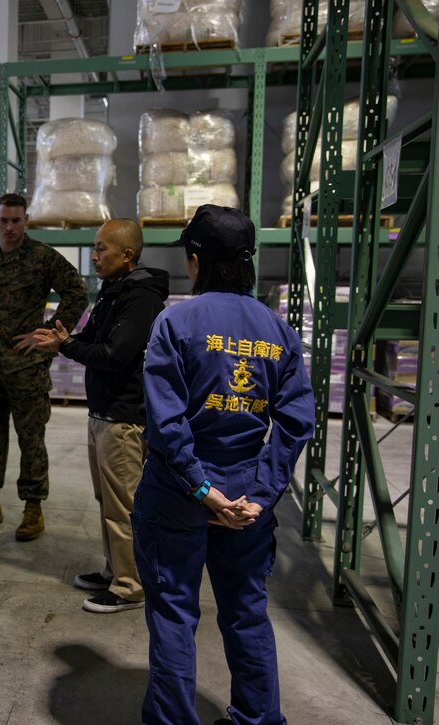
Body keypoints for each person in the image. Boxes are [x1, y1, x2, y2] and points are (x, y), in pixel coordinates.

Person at [133, 205, 314, 725]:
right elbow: (296, 421)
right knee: (246, 612)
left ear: (195, 261)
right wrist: (259, 495)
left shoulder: (175, 321)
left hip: (178, 491)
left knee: (173, 613)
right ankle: (259, 719)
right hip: (246, 492)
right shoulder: (277, 331)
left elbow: (167, 424)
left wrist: (201, 489)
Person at [14, 219, 169, 613]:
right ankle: (114, 568)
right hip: (103, 414)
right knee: (107, 501)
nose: (95, 256)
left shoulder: (141, 299)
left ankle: (130, 586)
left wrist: (65, 345)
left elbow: (115, 355)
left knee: (123, 506)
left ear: (127, 255)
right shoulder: (115, 292)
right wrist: (62, 341)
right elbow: (92, 342)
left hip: (122, 418)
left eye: (102, 249)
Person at [0, 192, 88, 541]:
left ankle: (32, 509)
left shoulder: (42, 258)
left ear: (26, 221)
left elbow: (76, 292)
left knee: (31, 440)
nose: (10, 227)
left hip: (26, 367)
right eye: (4, 220)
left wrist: (49, 333)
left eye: (17, 220)